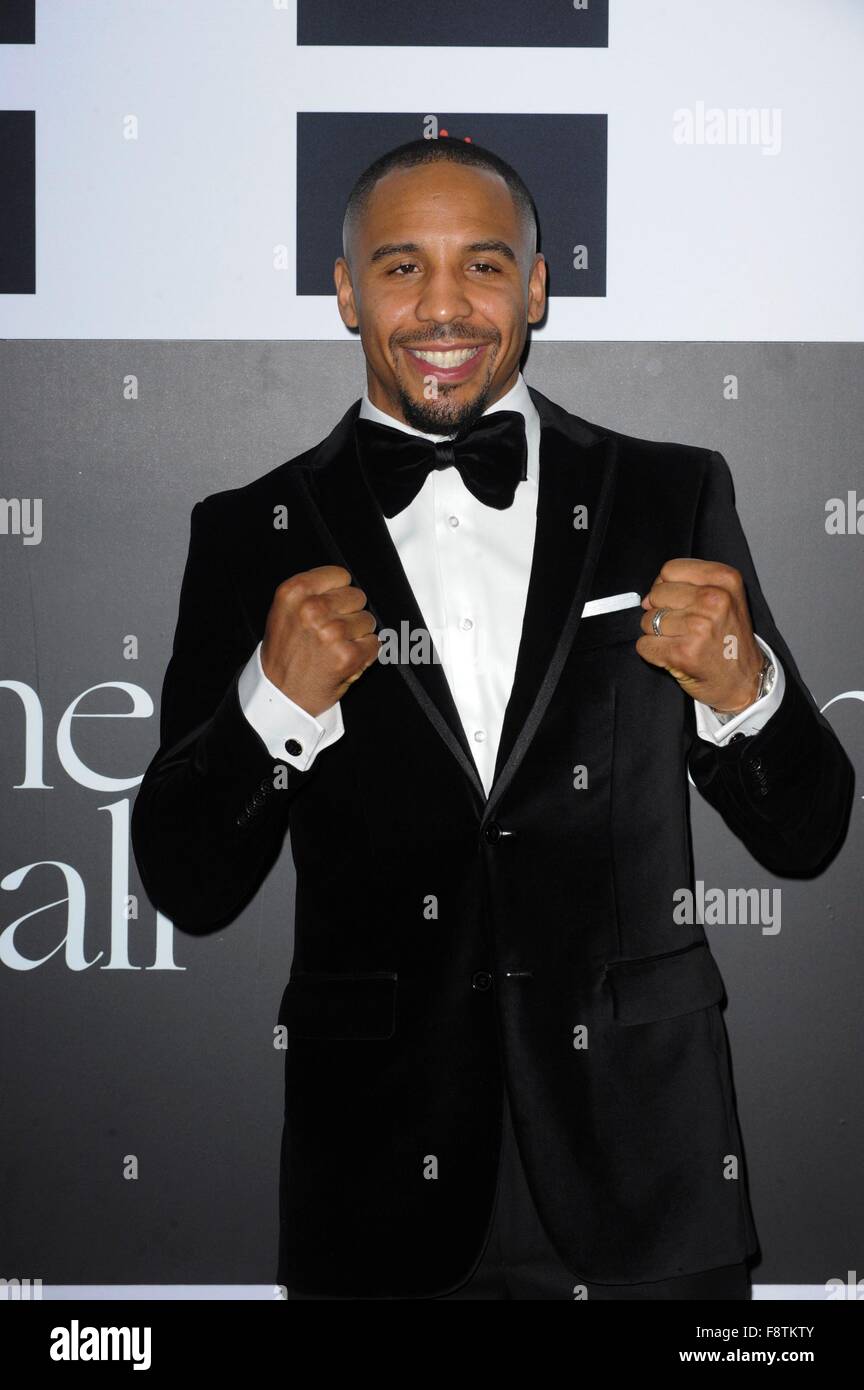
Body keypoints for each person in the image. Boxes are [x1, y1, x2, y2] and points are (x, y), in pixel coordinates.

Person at [131, 138, 853, 1300]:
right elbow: (187, 880)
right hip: (374, 1180)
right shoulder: (249, 530)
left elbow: (809, 831)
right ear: (347, 290)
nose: (443, 306)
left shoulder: (671, 491)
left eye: (482, 264)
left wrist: (744, 692)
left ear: (536, 286)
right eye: (403, 267)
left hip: (646, 1170)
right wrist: (270, 708)